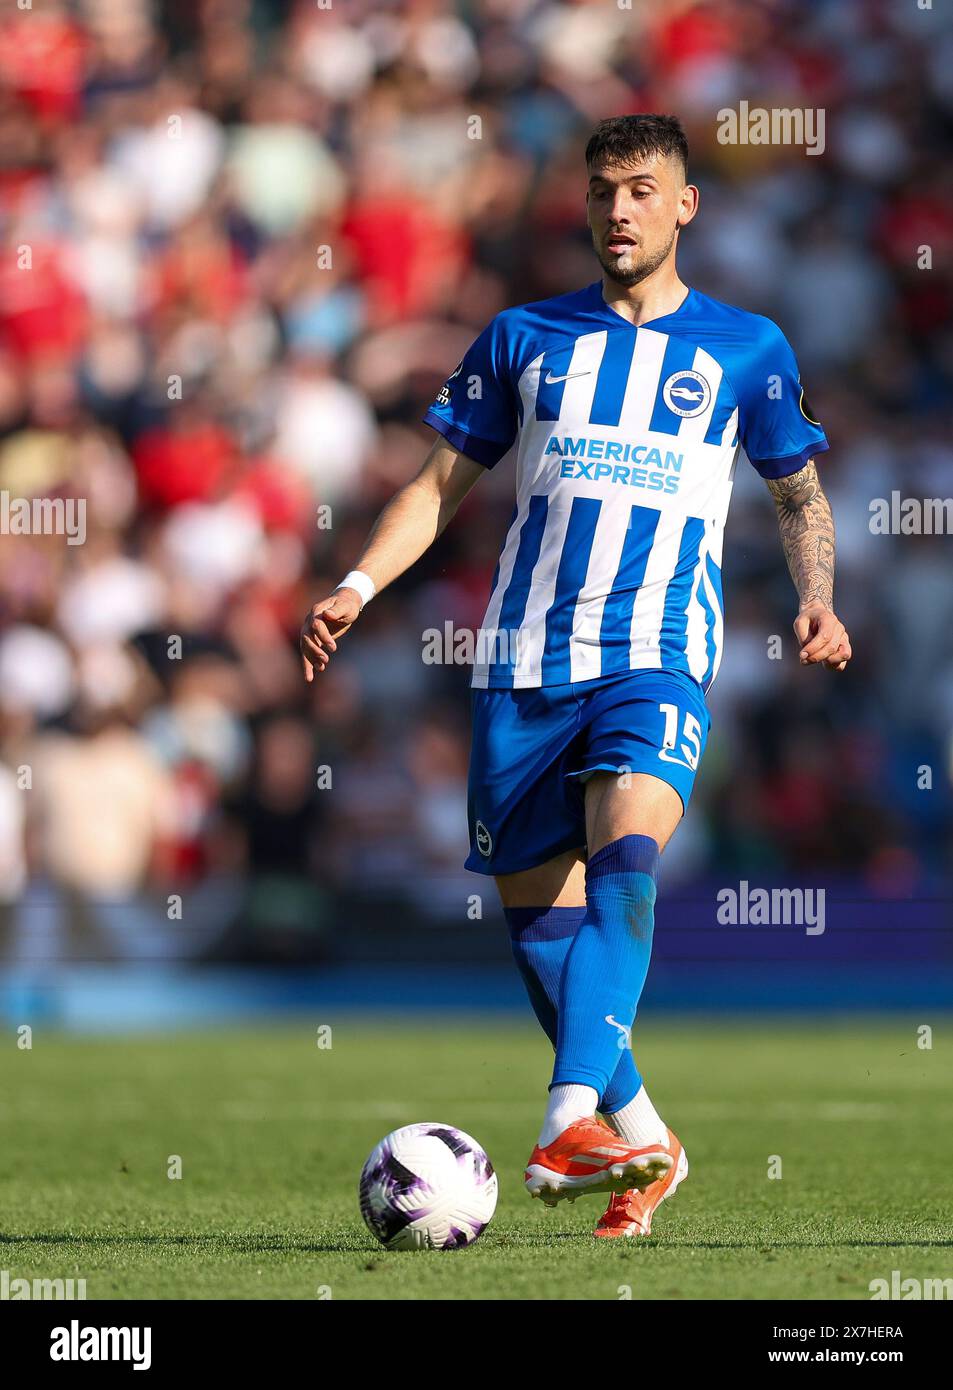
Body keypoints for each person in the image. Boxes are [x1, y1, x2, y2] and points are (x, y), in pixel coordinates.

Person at [300, 114, 851, 1238]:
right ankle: (641, 1137)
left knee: (627, 862)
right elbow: (435, 487)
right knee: (541, 937)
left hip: (655, 652)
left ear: (685, 203)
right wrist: (355, 584)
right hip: (517, 666)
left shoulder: (746, 347)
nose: (619, 211)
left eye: (643, 190)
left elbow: (796, 493)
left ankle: (561, 1122)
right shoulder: (523, 336)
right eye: (603, 191)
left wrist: (814, 595)